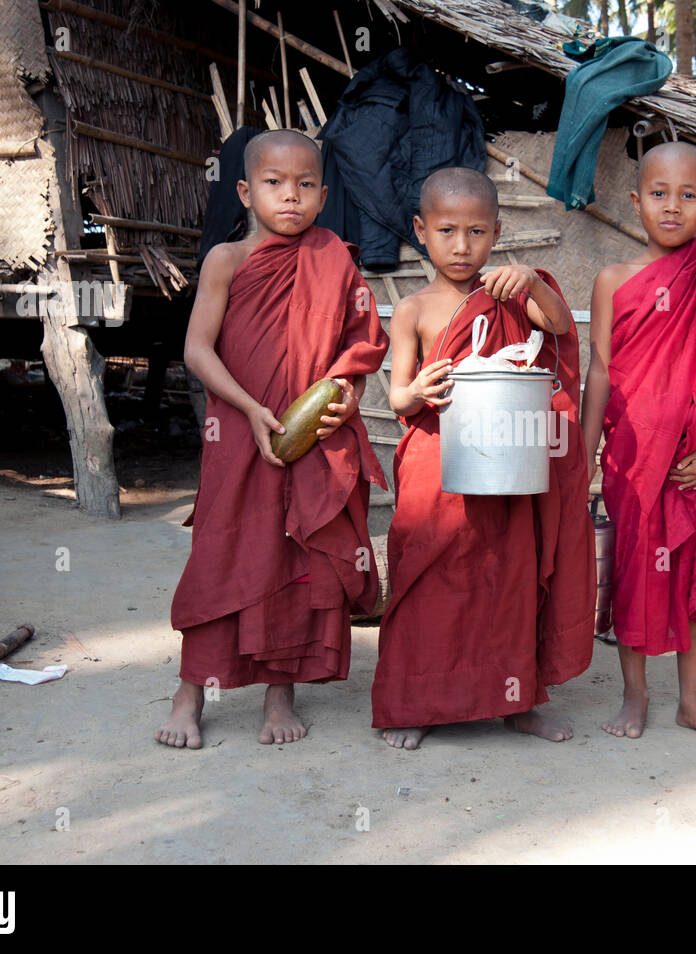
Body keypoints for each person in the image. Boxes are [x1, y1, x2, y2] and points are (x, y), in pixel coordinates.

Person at [157, 130, 388, 749]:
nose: (291, 196)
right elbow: (197, 349)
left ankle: (279, 694)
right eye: (274, 183)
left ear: (323, 194)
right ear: (245, 190)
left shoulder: (335, 256)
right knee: (223, 552)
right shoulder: (226, 260)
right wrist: (251, 409)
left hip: (308, 436)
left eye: (305, 185)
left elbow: (357, 351)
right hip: (238, 429)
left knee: (296, 560)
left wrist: (346, 404)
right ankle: (189, 694)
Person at [372, 167, 595, 750]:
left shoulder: (508, 297)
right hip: (434, 462)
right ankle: (418, 702)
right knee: (429, 581)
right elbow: (396, 395)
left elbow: (562, 330)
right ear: (421, 231)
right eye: (447, 230)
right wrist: (415, 391)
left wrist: (534, 283)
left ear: (497, 233)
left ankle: (516, 702)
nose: (462, 245)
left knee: (509, 580)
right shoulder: (414, 310)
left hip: (505, 458)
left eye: (476, 231)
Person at [579, 141, 696, 749]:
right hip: (633, 458)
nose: (672, 207)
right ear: (636, 202)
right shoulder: (613, 280)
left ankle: (692, 702)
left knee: (694, 578)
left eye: (688, 196)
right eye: (659, 194)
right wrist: (583, 451)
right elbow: (600, 371)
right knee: (633, 572)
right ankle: (636, 694)